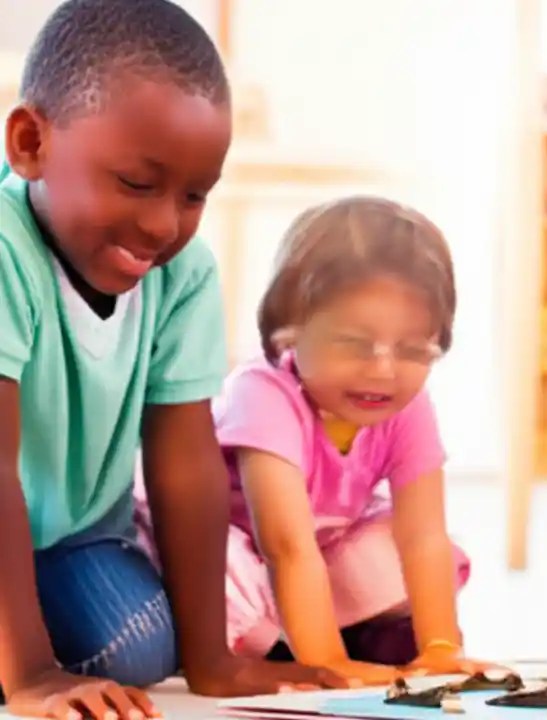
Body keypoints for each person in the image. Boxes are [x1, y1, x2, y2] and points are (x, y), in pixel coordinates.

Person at [0, 1, 343, 718]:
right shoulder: (6, 255)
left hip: (69, 539)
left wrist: (211, 661)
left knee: (141, 650)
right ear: (31, 142)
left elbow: (185, 461)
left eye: (194, 196)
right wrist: (30, 673)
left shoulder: (182, 276)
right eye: (135, 183)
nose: (163, 224)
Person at [153, 196, 490, 683]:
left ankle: (338, 636)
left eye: (414, 349)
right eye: (353, 344)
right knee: (222, 576)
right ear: (289, 333)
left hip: (318, 553)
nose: (383, 370)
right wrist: (325, 663)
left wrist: (440, 648)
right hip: (248, 552)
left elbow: (424, 536)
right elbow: (284, 545)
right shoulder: (263, 391)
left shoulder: (408, 404)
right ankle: (296, 647)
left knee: (393, 542)